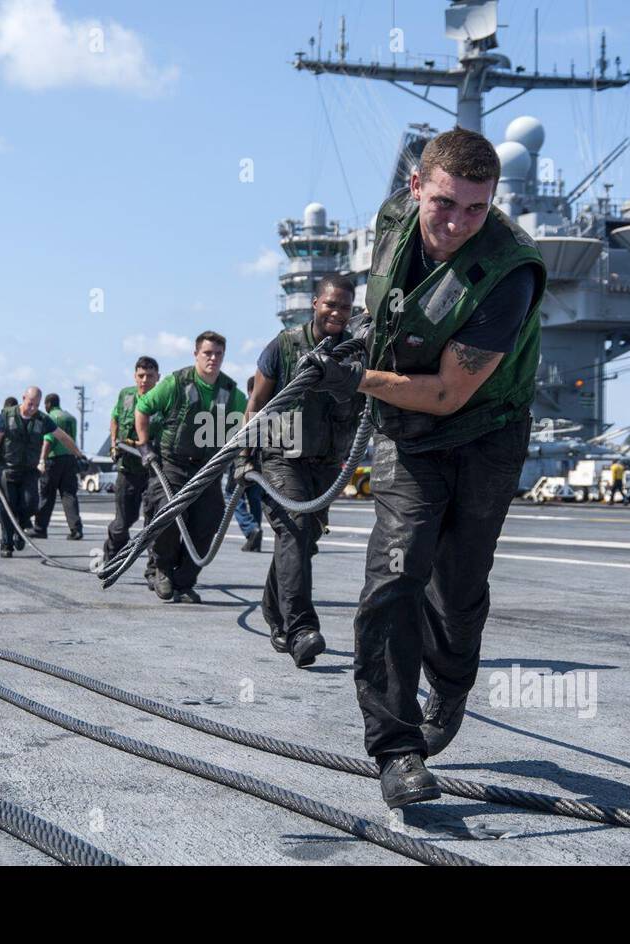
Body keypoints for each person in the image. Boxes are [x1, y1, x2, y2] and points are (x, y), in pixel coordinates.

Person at [307, 128, 546, 808]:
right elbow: (393, 314)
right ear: (416, 188)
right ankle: (396, 748)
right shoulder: (390, 223)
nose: (458, 223)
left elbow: (447, 391)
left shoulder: (510, 271)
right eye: (445, 204)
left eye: (477, 209)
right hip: (408, 436)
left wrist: (357, 381)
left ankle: (449, 683)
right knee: (393, 573)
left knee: (458, 587)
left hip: (485, 432)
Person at [244, 273, 360, 667]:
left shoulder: (356, 353)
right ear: (315, 303)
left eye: (345, 307)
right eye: (330, 304)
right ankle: (301, 629)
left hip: (326, 463)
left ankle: (273, 611)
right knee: (294, 527)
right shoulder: (285, 346)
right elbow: (257, 402)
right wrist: (246, 455)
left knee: (303, 540)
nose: (337, 313)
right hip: (280, 458)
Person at [134, 331, 248, 603]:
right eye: (207, 353)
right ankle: (162, 569)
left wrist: (245, 456)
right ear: (196, 354)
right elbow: (142, 408)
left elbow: (247, 421)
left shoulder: (230, 391)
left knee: (209, 522)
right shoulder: (175, 382)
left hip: (208, 468)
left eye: (218, 354)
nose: (213, 358)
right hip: (173, 463)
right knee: (168, 516)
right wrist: (144, 444)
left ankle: (184, 581)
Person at [0, 387, 86, 558]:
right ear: (23, 398)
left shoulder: (42, 419)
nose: (33, 408)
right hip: (7, 470)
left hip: (29, 471)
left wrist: (79, 454)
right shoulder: (6, 416)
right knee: (6, 507)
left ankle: (21, 525)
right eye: (30, 404)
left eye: (36, 405)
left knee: (31, 504)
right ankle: (6, 544)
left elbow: (62, 437)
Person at [104, 357, 162, 585]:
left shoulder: (163, 398)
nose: (144, 380)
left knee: (153, 525)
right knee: (122, 523)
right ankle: (111, 560)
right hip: (128, 468)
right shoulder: (126, 395)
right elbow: (115, 418)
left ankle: (153, 571)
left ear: (158, 377)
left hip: (153, 472)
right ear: (135, 376)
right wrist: (113, 443)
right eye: (141, 376)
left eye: (149, 376)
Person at [33, 393, 84, 540]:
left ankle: (40, 528)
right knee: (69, 495)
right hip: (70, 459)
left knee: (47, 495)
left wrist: (42, 459)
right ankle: (76, 529)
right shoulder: (71, 418)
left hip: (53, 460)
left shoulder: (51, 418)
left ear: (48, 404)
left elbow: (49, 440)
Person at [229, 375, 264, 552]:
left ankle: (251, 530)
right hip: (259, 460)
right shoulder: (268, 407)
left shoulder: (243, 405)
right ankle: (255, 537)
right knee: (254, 498)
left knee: (230, 495)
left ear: (250, 390)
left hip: (239, 458)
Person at [0, 397, 18, 527]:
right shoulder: (17, 418)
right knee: (2, 491)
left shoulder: (2, 417)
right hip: (10, 461)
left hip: (3, 461)